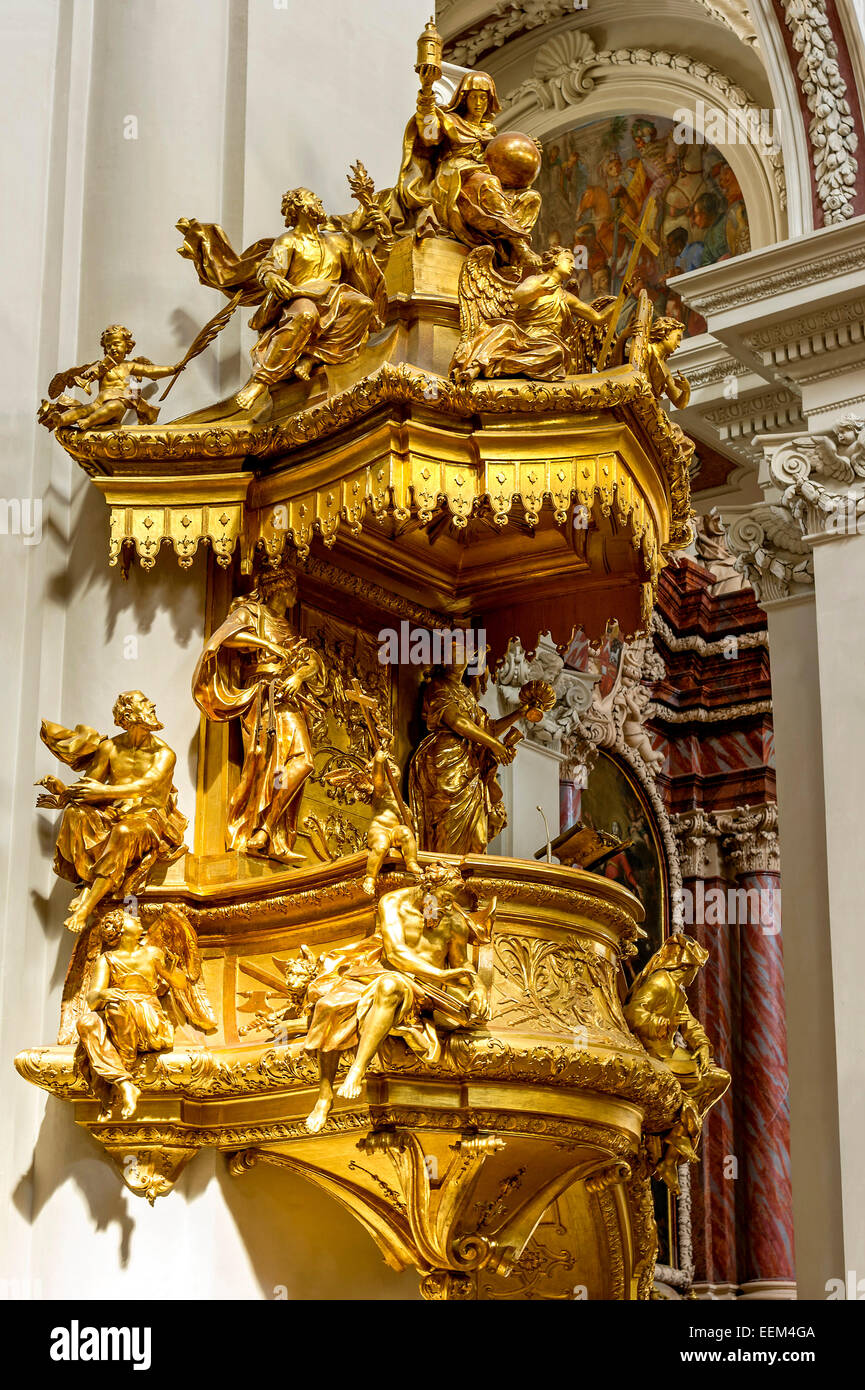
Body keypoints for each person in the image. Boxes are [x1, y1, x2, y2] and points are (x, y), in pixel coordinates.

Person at [298, 864, 491, 1132]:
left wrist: (478, 984)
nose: (447, 908)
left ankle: (356, 1071)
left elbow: (462, 965)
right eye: (444, 899)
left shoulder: (453, 921)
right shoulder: (392, 903)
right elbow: (397, 954)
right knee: (327, 1005)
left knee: (390, 986)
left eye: (451, 902)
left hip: (422, 989)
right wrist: (442, 973)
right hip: (380, 972)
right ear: (427, 890)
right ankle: (325, 1094)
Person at [177, 185, 388, 411]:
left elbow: (370, 269)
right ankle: (258, 383)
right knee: (306, 315)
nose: (319, 202)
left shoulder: (340, 242)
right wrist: (271, 278)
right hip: (299, 296)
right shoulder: (288, 241)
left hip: (334, 296)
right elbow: (269, 267)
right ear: (299, 207)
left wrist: (385, 241)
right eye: (313, 198)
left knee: (363, 305)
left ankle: (311, 357)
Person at [192, 569, 327, 863]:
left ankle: (268, 830)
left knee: (303, 762)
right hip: (264, 695)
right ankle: (259, 830)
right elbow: (225, 638)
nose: (294, 596)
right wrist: (267, 645)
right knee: (269, 762)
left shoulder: (289, 628)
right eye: (291, 589)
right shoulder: (251, 612)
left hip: (287, 695)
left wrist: (299, 678)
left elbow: (311, 660)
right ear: (280, 588)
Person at [37, 692, 187, 934]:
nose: (152, 705)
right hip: (113, 812)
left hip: (149, 818)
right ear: (128, 715)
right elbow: (90, 785)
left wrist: (103, 791)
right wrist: (63, 794)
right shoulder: (110, 748)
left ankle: (86, 906)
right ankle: (90, 880)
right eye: (145, 703)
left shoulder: (164, 754)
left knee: (124, 831)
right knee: (75, 813)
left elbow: (144, 786)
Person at [396, 69, 540, 266]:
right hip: (455, 176)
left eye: (483, 98)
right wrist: (427, 91)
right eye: (474, 97)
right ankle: (519, 245)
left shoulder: (489, 132)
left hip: (483, 176)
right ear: (464, 98)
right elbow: (429, 136)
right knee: (488, 182)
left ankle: (507, 251)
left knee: (530, 197)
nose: (479, 103)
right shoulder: (449, 121)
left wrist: (526, 151)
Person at [450, 245, 618, 382]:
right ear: (554, 260)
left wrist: (621, 301)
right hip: (522, 337)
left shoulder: (567, 297)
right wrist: (538, 291)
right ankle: (475, 367)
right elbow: (518, 296)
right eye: (568, 260)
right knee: (502, 330)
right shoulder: (535, 281)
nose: (573, 265)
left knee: (557, 352)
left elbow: (598, 318)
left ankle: (502, 365)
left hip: (545, 342)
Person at [408, 660, 525, 854]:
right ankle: (442, 875)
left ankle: (465, 879)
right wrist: (494, 745)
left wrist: (520, 713)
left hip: (470, 766)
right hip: (446, 760)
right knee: (448, 826)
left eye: (465, 652)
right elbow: (455, 720)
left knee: (478, 841)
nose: (460, 658)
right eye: (454, 652)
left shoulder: (467, 693)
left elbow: (488, 728)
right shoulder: (437, 685)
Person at [37, 325, 180, 432]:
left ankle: (88, 422)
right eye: (108, 345)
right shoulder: (101, 366)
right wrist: (88, 374)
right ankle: (61, 420)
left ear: (127, 346)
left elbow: (151, 370)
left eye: (116, 344)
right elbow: (85, 374)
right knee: (83, 410)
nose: (112, 348)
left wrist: (172, 369)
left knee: (113, 406)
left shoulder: (129, 366)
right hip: (98, 403)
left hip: (119, 404)